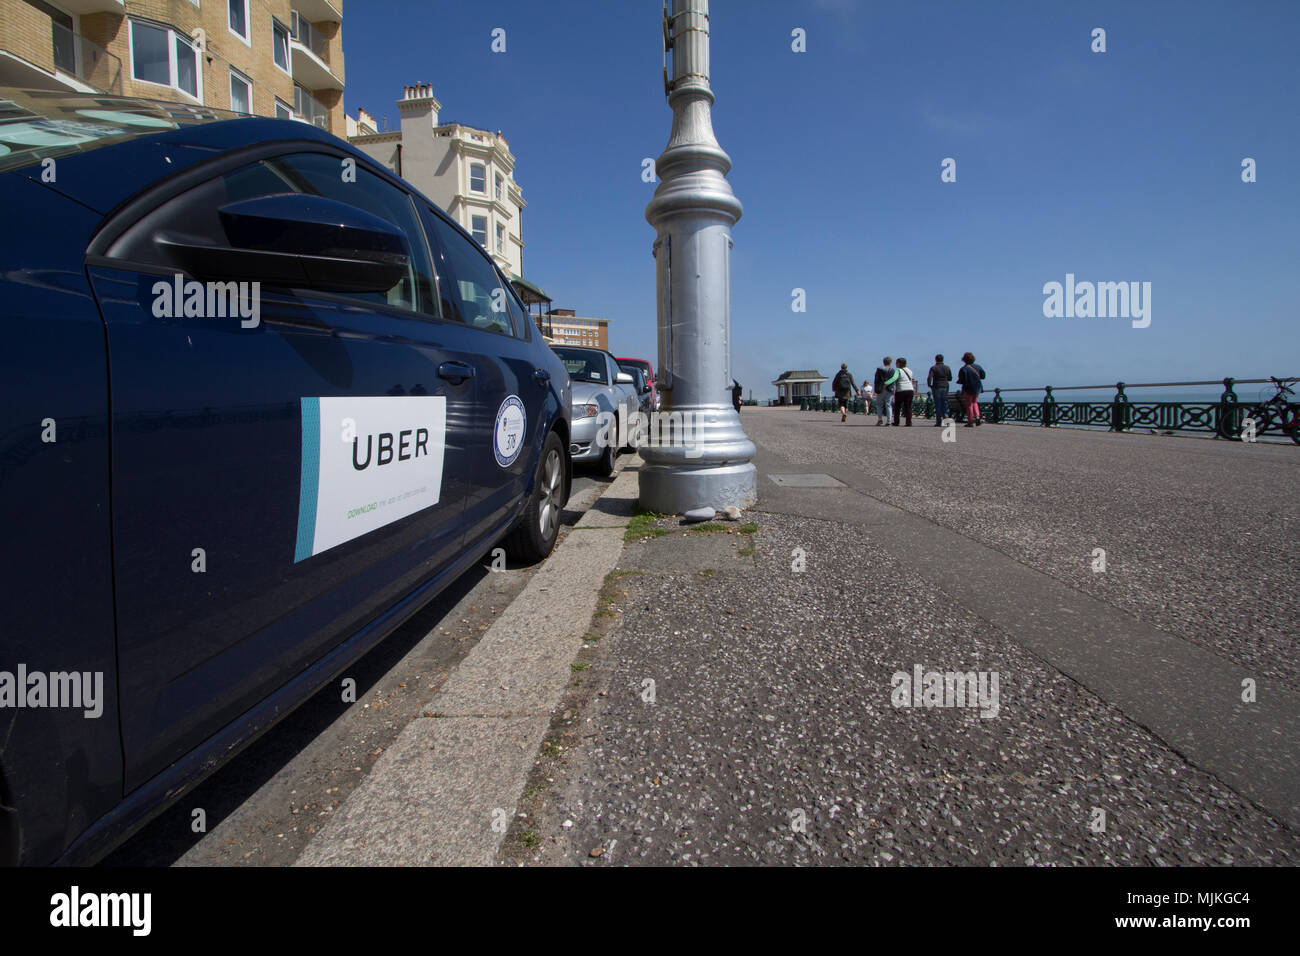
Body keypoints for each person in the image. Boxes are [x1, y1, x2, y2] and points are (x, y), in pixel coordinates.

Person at [957, 351, 986, 427]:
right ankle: (977, 417)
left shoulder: (963, 369)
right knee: (975, 402)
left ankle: (970, 421)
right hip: (977, 387)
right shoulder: (978, 367)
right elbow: (983, 376)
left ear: (964, 360)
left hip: (968, 387)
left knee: (969, 404)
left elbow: (961, 380)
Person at [927, 354, 952, 426]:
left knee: (937, 403)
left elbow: (929, 378)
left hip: (936, 386)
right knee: (944, 402)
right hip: (945, 386)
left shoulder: (933, 368)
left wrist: (929, 385)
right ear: (943, 359)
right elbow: (950, 378)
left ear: (936, 359)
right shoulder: (947, 368)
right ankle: (946, 416)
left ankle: (938, 421)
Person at [873, 357, 897, 425]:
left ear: (883, 362)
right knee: (888, 405)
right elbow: (893, 380)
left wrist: (876, 388)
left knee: (879, 405)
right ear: (890, 362)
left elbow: (876, 380)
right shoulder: (892, 370)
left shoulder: (879, 369)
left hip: (880, 388)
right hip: (890, 389)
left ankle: (880, 419)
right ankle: (889, 420)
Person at [892, 357, 917, 426]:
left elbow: (893, 379)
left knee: (897, 407)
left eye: (896, 363)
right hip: (910, 390)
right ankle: (908, 422)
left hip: (900, 390)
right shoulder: (910, 371)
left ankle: (896, 422)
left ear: (899, 363)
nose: (895, 364)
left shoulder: (898, 370)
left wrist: (885, 383)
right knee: (908, 407)